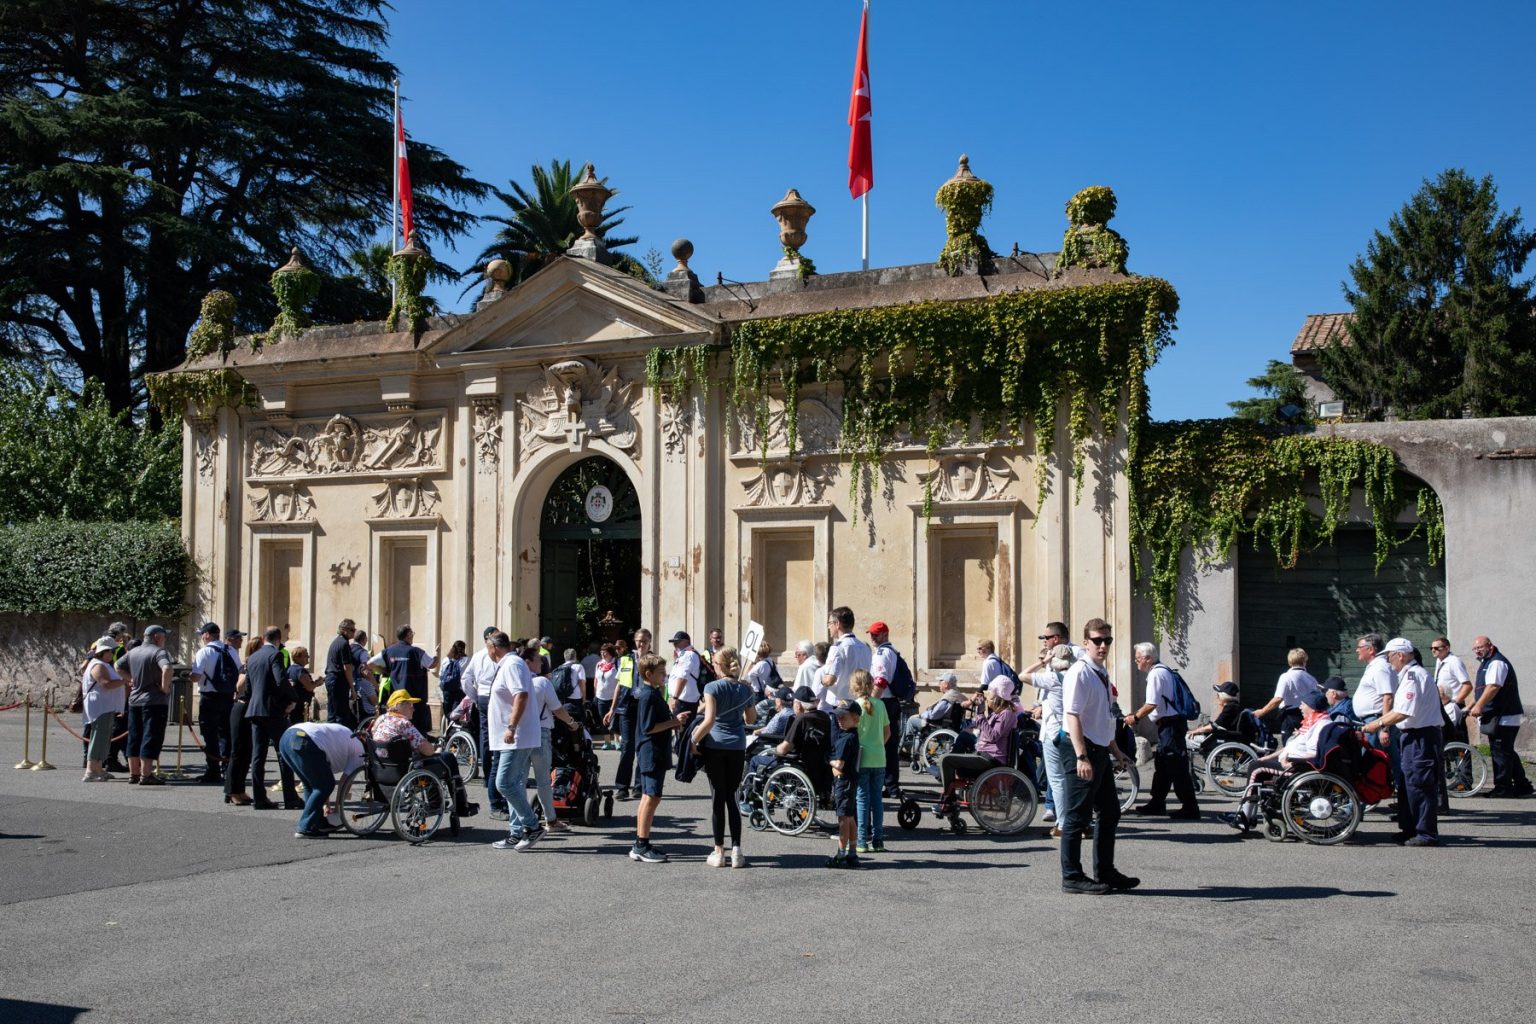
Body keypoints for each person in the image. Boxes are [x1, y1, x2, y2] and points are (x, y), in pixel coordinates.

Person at [1056, 618, 1137, 895]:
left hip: (1099, 748)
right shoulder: (1080, 673)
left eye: (1107, 641)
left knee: (1110, 812)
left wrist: (1116, 750)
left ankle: (1105, 871)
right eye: (1097, 640)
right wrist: (1081, 757)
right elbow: (1073, 715)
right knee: (1077, 817)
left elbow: (1102, 717)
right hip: (1081, 749)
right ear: (1086, 642)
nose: (1103, 646)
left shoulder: (1101, 672)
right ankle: (1072, 876)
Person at [1364, 637, 1443, 845]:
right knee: (1409, 784)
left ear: (1400, 655)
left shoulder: (1413, 676)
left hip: (1421, 736)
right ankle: (1410, 828)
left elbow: (1402, 712)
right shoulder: (1407, 676)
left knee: (1421, 784)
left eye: (1390, 657)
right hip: (1413, 736)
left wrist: (1378, 724)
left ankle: (1426, 833)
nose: (1389, 662)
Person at [689, 646, 757, 868]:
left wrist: (693, 740)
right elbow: (750, 719)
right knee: (732, 798)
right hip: (737, 746)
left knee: (717, 798)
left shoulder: (712, 686)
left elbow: (708, 721)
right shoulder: (746, 689)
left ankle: (719, 851)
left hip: (715, 745)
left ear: (719, 666)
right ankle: (737, 850)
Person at [368, 690, 475, 817]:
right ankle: (460, 805)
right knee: (447, 758)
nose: (413, 709)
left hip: (382, 768)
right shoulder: (404, 724)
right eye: (410, 705)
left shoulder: (380, 719)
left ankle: (439, 801)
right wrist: (436, 749)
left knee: (431, 761)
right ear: (399, 706)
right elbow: (428, 751)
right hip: (406, 770)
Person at [1125, 643, 1199, 819]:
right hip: (1169, 726)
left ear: (1148, 658)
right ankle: (1157, 803)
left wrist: (1134, 718)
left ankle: (1190, 807)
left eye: (1138, 659)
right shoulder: (1161, 671)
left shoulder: (1156, 674)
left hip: (1171, 726)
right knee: (1163, 766)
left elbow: (1152, 704)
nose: (1136, 662)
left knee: (1176, 766)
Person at [630, 653, 692, 863]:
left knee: (649, 796)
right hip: (651, 751)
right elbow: (649, 727)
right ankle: (641, 843)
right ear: (649, 674)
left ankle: (641, 842)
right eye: (661, 672)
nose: (665, 675)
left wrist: (673, 719)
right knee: (652, 796)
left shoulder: (653, 692)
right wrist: (674, 722)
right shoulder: (648, 695)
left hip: (654, 751)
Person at [489, 638, 545, 850]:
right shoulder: (508, 664)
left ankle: (532, 826)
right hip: (512, 736)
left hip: (517, 736)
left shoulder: (512, 664)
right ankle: (516, 831)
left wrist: (511, 727)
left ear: (493, 647)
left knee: (504, 783)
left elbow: (520, 695)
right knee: (514, 784)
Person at [241, 626, 300, 811]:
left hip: (255, 710)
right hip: (273, 711)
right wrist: (293, 698)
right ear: (278, 639)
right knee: (284, 753)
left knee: (258, 756)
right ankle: (290, 797)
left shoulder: (252, 657)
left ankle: (259, 798)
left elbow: (249, 688)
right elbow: (280, 680)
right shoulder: (275, 655)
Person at [277, 721, 365, 838]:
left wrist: (326, 807)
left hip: (287, 737)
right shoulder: (359, 750)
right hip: (306, 741)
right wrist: (338, 810)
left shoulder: (345, 735)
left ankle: (317, 822)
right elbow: (345, 783)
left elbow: (322, 772)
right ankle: (306, 828)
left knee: (312, 785)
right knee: (325, 785)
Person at [528, 644, 583, 834]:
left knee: (517, 781)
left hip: (521, 734)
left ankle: (520, 823)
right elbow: (557, 709)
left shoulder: (518, 681)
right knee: (543, 780)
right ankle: (550, 820)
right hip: (542, 731)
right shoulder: (542, 683)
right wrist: (572, 723)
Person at [1468, 635, 1531, 797]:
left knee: (1500, 752)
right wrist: (1473, 704)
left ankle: (1503, 787)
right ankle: (1522, 784)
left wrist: (1479, 705)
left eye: (1480, 647)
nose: (1477, 651)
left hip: (1504, 715)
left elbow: (1493, 687)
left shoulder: (1496, 662)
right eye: (1475, 648)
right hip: (1498, 715)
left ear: (1490, 646)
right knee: (1505, 750)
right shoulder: (1487, 663)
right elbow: (1483, 689)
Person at [938, 680, 1017, 802]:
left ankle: (949, 797)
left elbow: (993, 736)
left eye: (990, 694)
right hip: (985, 754)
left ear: (997, 698)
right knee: (957, 748)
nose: (988, 697)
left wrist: (980, 714)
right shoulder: (999, 713)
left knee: (946, 759)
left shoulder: (1006, 714)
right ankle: (950, 795)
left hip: (991, 759)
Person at [118, 624, 174, 786]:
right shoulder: (158, 652)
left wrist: (130, 679)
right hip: (154, 701)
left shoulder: (133, 651)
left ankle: (133, 773)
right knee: (151, 736)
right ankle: (146, 774)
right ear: (157, 637)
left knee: (135, 736)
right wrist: (164, 688)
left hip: (135, 701)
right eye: (164, 636)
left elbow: (118, 666)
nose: (165, 639)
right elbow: (167, 668)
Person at [460, 627, 506, 819]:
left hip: (483, 696)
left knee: (487, 737)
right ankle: (495, 776)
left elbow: (466, 679)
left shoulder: (477, 656)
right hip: (494, 696)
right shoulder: (492, 656)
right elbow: (466, 678)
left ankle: (489, 776)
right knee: (498, 736)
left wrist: (475, 696)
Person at [188, 621, 239, 785]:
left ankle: (213, 769)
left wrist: (189, 675)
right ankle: (227, 768)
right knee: (226, 733)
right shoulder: (231, 650)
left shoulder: (204, 651)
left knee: (210, 734)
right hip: (227, 696)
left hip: (209, 697)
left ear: (207, 635)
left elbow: (196, 676)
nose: (202, 637)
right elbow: (240, 671)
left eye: (202, 634)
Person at [1031, 647, 1075, 834]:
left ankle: (1063, 823)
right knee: (1072, 779)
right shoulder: (1076, 676)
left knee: (1057, 779)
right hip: (1072, 730)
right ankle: (1078, 821)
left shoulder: (1053, 678)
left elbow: (1022, 675)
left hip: (1054, 730)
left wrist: (1043, 662)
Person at [605, 630, 652, 800]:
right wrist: (612, 708)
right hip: (627, 706)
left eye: (645, 641)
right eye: (639, 641)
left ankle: (639, 786)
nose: (642, 644)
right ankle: (622, 787)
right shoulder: (626, 659)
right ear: (634, 641)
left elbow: (662, 684)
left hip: (646, 706)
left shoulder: (653, 661)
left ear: (650, 642)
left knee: (642, 746)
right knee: (627, 747)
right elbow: (619, 685)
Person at [850, 669, 891, 854]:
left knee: (861, 800)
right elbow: (887, 732)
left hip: (862, 757)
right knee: (877, 801)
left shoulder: (855, 706)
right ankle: (878, 839)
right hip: (879, 757)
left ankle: (861, 840)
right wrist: (878, 745)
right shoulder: (880, 704)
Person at [80, 639, 128, 781]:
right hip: (100, 706)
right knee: (98, 737)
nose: (112, 654)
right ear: (102, 652)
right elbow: (106, 684)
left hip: (105, 706)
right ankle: (90, 771)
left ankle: (98, 768)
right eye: (110, 651)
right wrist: (124, 681)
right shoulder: (97, 665)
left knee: (104, 737)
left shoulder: (102, 664)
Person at [868, 621, 906, 794]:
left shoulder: (882, 654)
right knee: (888, 744)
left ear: (885, 634)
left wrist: (870, 703)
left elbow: (881, 681)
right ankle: (890, 784)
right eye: (871, 634)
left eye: (876, 634)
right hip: (889, 703)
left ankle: (890, 784)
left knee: (882, 744)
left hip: (883, 702)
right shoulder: (890, 652)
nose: (872, 637)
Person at [1252, 648, 1322, 742]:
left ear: (1289, 662)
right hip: (1307, 717)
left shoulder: (1286, 677)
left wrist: (1261, 712)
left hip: (1290, 716)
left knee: (1288, 746)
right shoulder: (1311, 679)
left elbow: (1278, 699)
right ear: (1305, 661)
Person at [377, 625, 436, 736]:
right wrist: (436, 656)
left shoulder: (388, 651)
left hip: (397, 698)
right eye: (412, 633)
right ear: (408, 635)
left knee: (398, 725)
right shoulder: (416, 652)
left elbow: (370, 663)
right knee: (416, 728)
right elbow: (431, 664)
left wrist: (385, 670)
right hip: (414, 698)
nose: (413, 636)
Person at [825, 700, 863, 869]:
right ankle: (852, 853)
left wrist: (828, 759)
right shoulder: (852, 735)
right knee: (850, 817)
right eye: (837, 716)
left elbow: (839, 764)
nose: (839, 719)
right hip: (851, 780)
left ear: (855, 719)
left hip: (843, 780)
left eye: (843, 716)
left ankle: (841, 855)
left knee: (843, 818)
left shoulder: (846, 738)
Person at [821, 607, 871, 730]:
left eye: (830, 623)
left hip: (842, 707)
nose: (829, 627)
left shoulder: (838, 647)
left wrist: (822, 679)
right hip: (861, 703)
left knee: (840, 743)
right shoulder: (864, 647)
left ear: (837, 624)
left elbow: (830, 680)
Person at [777, 686, 832, 796]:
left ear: (798, 704)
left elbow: (784, 749)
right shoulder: (825, 716)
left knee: (756, 760)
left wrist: (776, 748)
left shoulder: (801, 719)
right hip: (821, 766)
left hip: (802, 764)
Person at [1354, 633, 1397, 761]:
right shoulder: (1375, 666)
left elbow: (1388, 697)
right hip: (1372, 721)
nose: (1357, 650)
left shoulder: (1380, 667)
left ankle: (1400, 781)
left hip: (1377, 721)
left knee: (1374, 760)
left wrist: (1384, 728)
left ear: (1371, 649)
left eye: (1359, 647)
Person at [901, 672, 963, 749]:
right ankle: (911, 746)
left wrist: (921, 715)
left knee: (911, 720)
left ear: (946, 684)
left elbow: (934, 715)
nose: (938, 684)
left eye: (940, 682)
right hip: (949, 723)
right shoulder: (957, 694)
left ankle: (904, 746)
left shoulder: (948, 697)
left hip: (939, 724)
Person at [1430, 637, 1472, 744]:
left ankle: (1464, 759)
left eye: (1436, 648)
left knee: (1459, 739)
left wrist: (1455, 703)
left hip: (1453, 705)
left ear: (1447, 648)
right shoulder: (1439, 661)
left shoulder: (1454, 662)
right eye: (1431, 648)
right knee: (1446, 739)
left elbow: (1467, 685)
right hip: (1444, 705)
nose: (1433, 650)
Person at [322, 618, 359, 728]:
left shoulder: (338, 642)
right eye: (352, 630)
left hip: (333, 679)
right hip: (338, 681)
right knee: (340, 715)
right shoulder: (343, 643)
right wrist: (352, 688)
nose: (354, 632)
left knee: (333, 713)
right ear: (344, 630)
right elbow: (346, 667)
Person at [666, 631, 704, 716]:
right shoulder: (686, 655)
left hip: (683, 702)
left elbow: (683, 677)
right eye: (674, 643)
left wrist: (675, 698)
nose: (675, 645)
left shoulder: (687, 655)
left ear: (686, 642)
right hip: (685, 701)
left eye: (677, 642)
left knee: (682, 728)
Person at [593, 643, 619, 739]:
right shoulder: (599, 664)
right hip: (601, 696)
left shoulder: (616, 663)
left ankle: (616, 740)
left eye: (605, 652)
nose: (603, 654)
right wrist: (596, 693)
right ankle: (607, 742)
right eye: (601, 652)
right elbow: (596, 679)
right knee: (603, 719)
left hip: (613, 697)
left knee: (615, 719)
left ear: (611, 653)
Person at [439, 640, 469, 723]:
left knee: (447, 712)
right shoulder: (466, 660)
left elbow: (441, 675)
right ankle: (454, 730)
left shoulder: (446, 660)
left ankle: (447, 730)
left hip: (447, 690)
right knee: (456, 712)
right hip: (459, 690)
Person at [286, 646, 317, 727]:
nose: (308, 657)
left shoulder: (290, 669)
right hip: (300, 706)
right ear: (298, 657)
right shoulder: (299, 670)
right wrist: (318, 682)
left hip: (295, 704)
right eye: (306, 655)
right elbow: (309, 686)